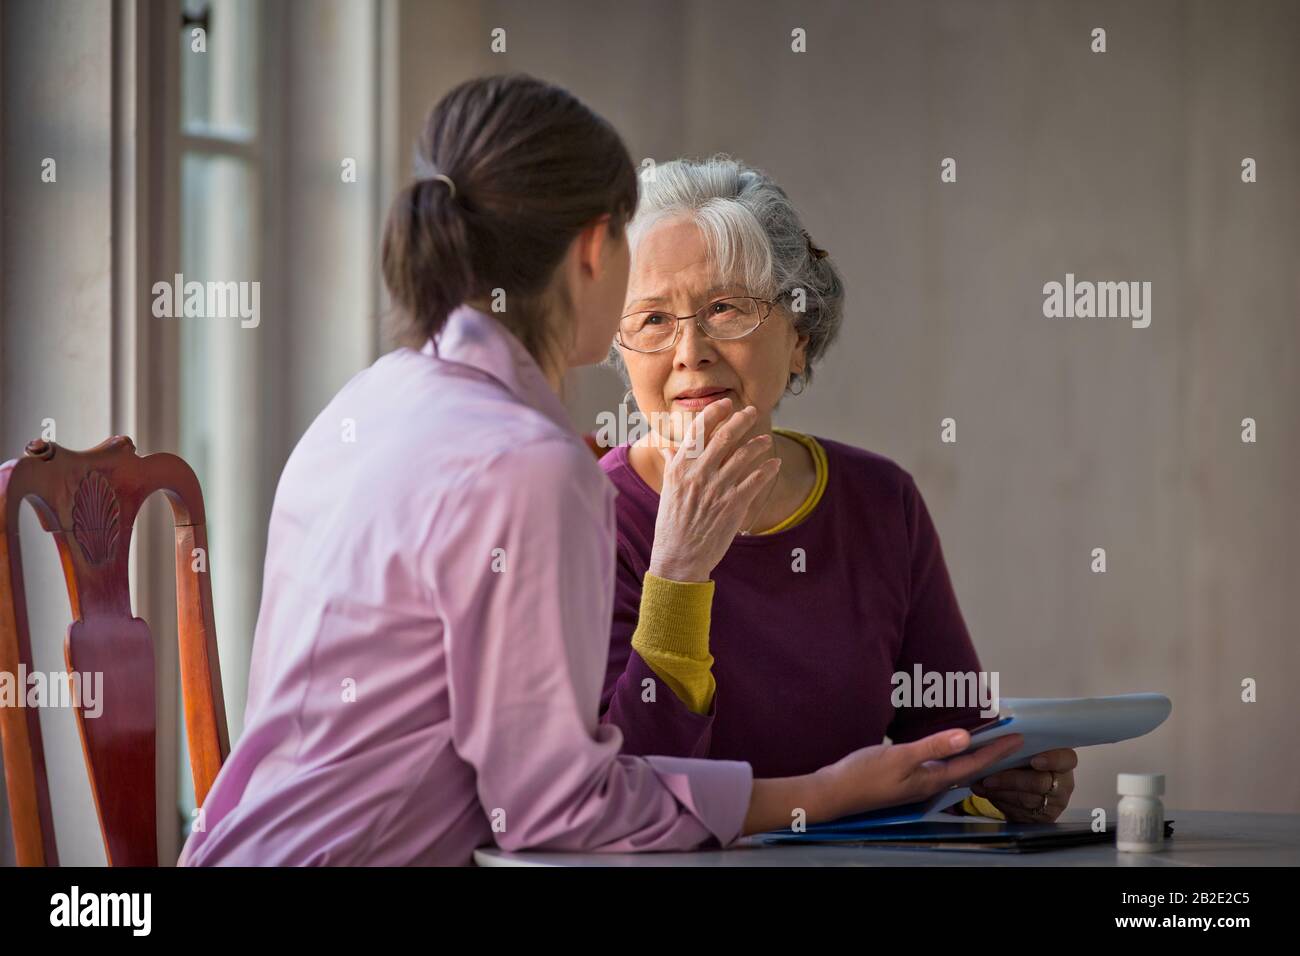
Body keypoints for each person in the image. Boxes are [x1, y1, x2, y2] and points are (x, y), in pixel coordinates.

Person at [179, 78, 1020, 866]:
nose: (685, 344)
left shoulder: (366, 403)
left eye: (725, 308)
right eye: (639, 277)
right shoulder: (531, 465)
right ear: (594, 250)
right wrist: (821, 795)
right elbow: (556, 810)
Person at [599, 156, 1072, 823]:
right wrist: (678, 567)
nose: (689, 351)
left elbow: (944, 735)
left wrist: (1000, 781)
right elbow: (621, 797)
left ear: (799, 336)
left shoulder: (881, 501)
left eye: (725, 308)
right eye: (651, 320)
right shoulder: (588, 516)